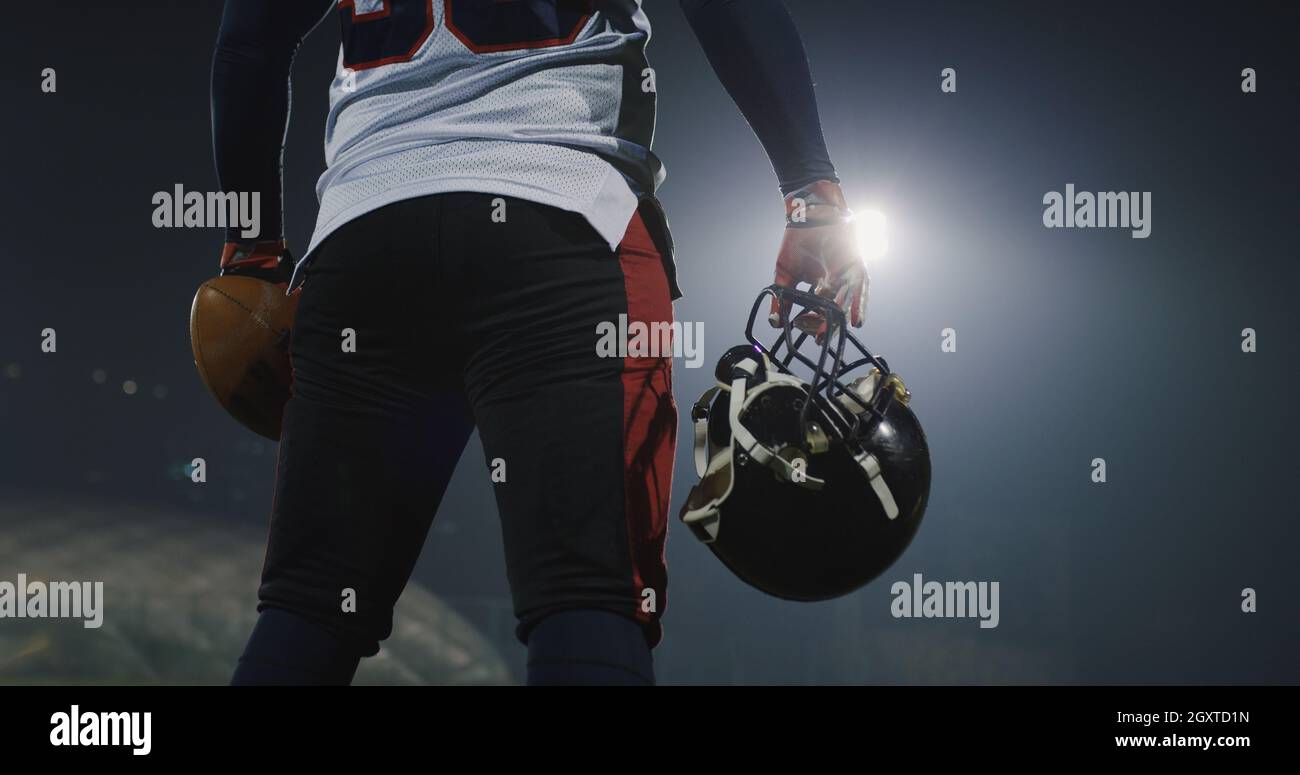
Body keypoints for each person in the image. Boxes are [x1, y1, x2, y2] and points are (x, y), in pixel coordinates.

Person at [213, 0, 866, 686]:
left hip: (365, 234)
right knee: (590, 596)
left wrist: (252, 248)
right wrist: (810, 190)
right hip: (563, 206)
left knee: (310, 607)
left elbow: (247, 43)